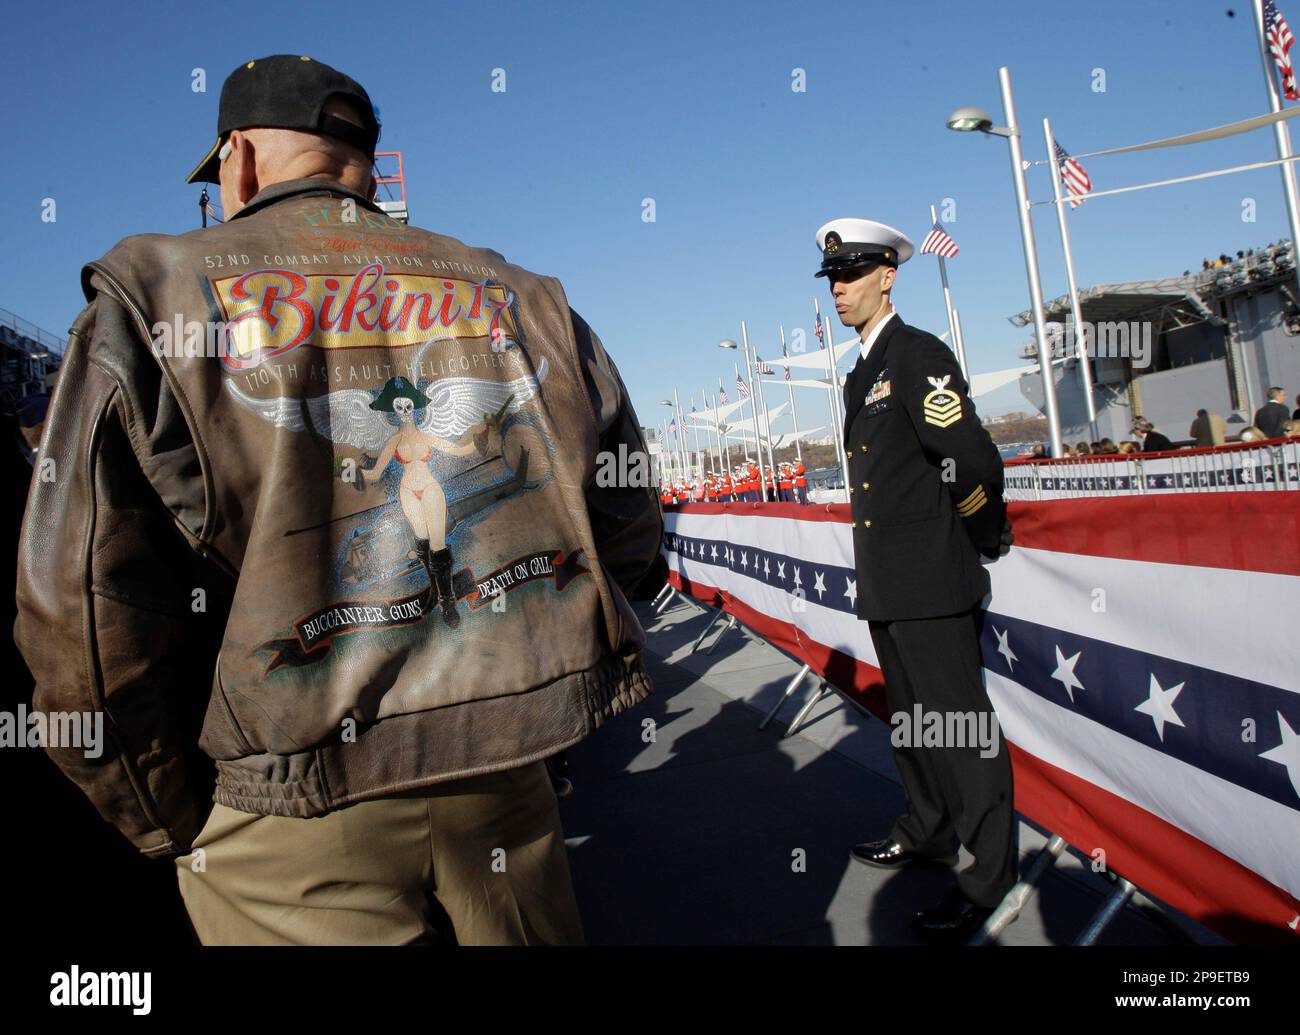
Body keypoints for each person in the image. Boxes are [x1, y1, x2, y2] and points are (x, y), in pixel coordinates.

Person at [14, 55, 663, 946]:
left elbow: (81, 609)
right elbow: (627, 529)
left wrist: (167, 815)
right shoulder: (520, 293)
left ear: (237, 158)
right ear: (363, 162)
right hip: (506, 777)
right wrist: (540, 707)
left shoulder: (152, 292)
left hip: (287, 802)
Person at [816, 217, 1016, 942]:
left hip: (932, 582)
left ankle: (989, 877)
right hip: (891, 584)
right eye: (832, 278)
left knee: (962, 733)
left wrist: (980, 535)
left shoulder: (917, 354)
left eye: (852, 275)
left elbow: (970, 458)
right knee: (912, 725)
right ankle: (928, 829)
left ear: (888, 276)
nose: (839, 289)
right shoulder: (862, 370)